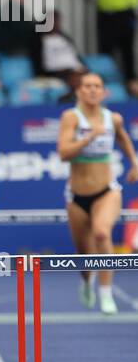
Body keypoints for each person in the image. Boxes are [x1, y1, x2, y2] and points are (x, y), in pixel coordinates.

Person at [57, 71, 138, 315]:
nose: (93, 90)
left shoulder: (112, 118)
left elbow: (123, 140)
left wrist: (134, 163)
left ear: (104, 92)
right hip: (77, 195)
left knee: (102, 234)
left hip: (106, 191)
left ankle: (106, 293)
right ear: (79, 91)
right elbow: (63, 152)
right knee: (84, 253)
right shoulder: (71, 117)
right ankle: (86, 281)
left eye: (98, 86)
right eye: (88, 86)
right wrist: (89, 137)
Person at [0, 0, 42, 74]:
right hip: (13, 56)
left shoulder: (15, 7)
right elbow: (22, 29)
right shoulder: (11, 7)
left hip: (16, 54)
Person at [39, 10, 84, 83]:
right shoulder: (40, 40)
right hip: (57, 73)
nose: (56, 23)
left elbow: (76, 56)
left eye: (57, 21)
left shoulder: (65, 38)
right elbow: (42, 65)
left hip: (75, 70)